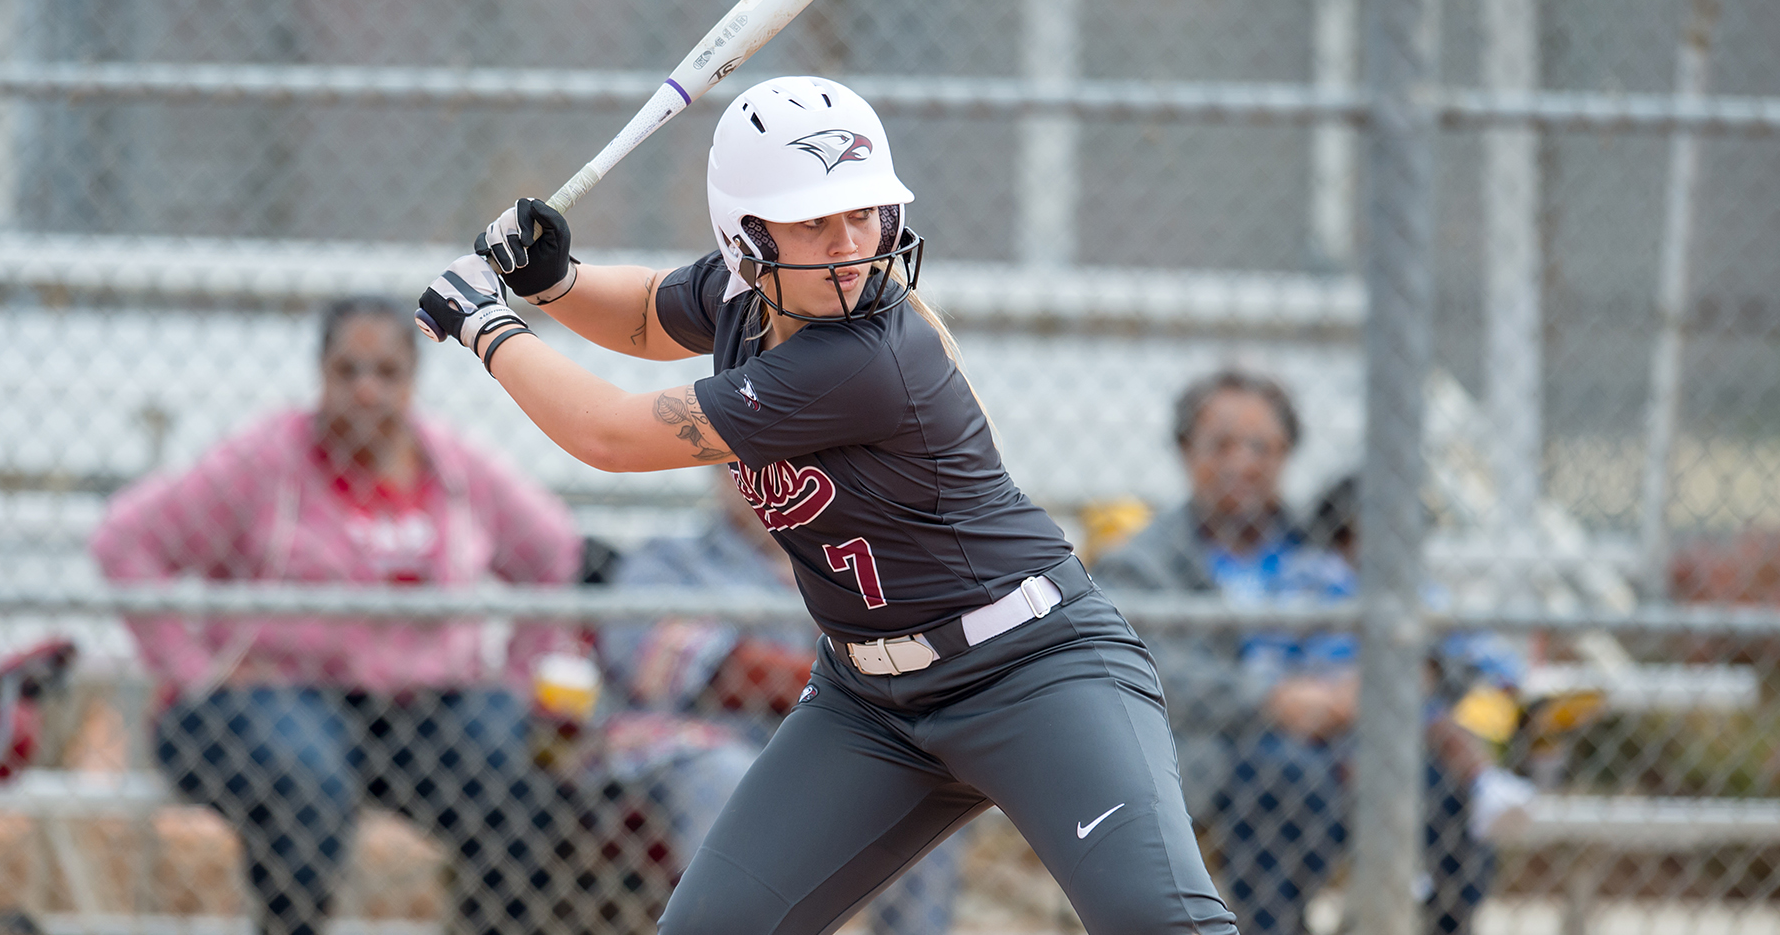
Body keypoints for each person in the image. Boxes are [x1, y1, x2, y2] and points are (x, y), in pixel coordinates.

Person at [414, 75, 1239, 934]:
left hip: (1031, 671)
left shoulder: (866, 356)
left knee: (1162, 923)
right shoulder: (746, 295)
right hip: (868, 701)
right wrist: (554, 281)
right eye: (814, 221)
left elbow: (614, 438)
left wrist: (487, 326)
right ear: (747, 238)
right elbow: (649, 319)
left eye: (865, 213)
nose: (849, 243)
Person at [91, 297, 585, 935]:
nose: (366, 391)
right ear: (321, 375)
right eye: (347, 372)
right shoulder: (267, 459)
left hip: (418, 709)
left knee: (507, 759)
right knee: (307, 772)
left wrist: (521, 676)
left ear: (412, 382)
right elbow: (125, 542)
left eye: (386, 373)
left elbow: (552, 551)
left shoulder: (450, 464)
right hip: (282, 693)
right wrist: (196, 670)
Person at [1093, 370, 1534, 935]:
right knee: (1284, 775)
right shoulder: (1144, 563)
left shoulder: (1328, 538)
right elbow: (1142, 670)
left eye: (1262, 446)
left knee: (1446, 788)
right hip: (1223, 755)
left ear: (1287, 456)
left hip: (1356, 739)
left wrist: (1410, 676)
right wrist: (1272, 699)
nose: (1242, 462)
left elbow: (1427, 623)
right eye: (1221, 444)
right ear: (1185, 452)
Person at [596, 468, 965, 935]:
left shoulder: (853, 566)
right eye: (744, 464)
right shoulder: (671, 559)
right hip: (699, 742)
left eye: (784, 462)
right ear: (719, 473)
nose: (765, 478)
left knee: (926, 776)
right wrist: (853, 676)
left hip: (824, 743)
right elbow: (707, 670)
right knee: (733, 776)